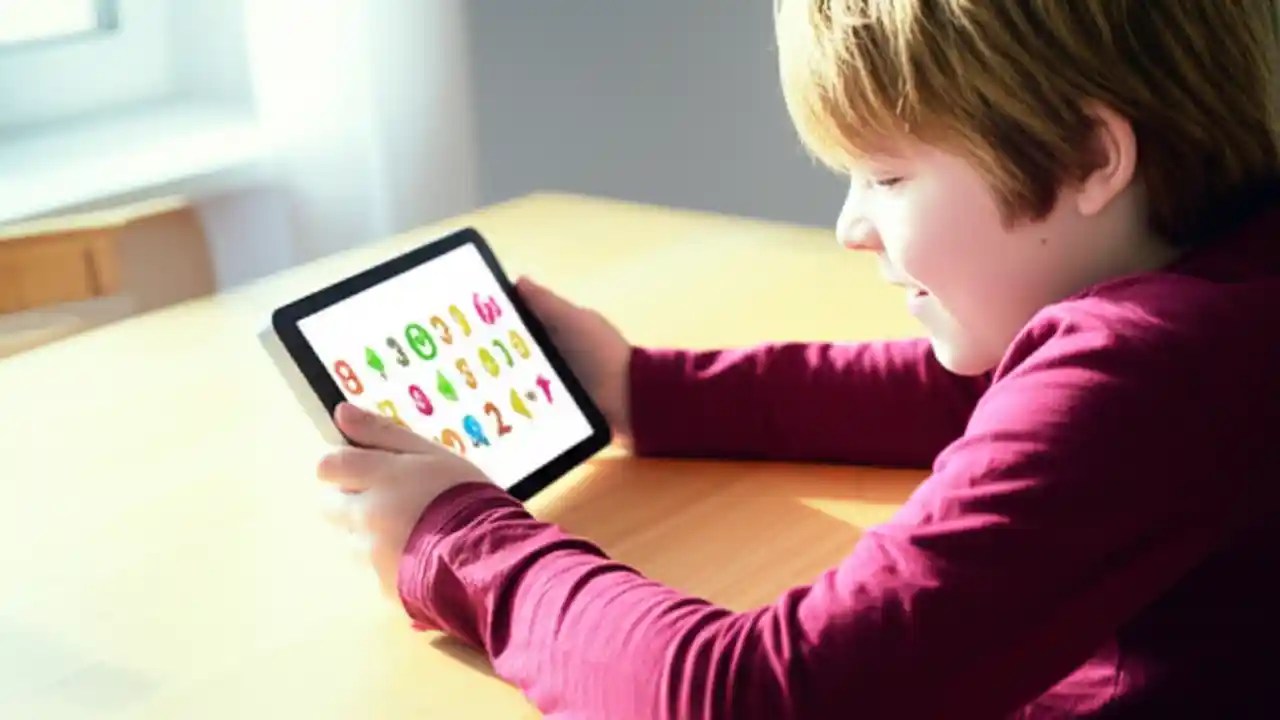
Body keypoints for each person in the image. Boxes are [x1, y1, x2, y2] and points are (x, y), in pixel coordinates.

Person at [315, 1, 1280, 716]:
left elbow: (758, 699)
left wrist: (465, 546)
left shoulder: (1152, 372)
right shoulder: (1230, 279)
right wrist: (644, 391)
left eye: (888, 175)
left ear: (1090, 157)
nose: (850, 227)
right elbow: (976, 399)